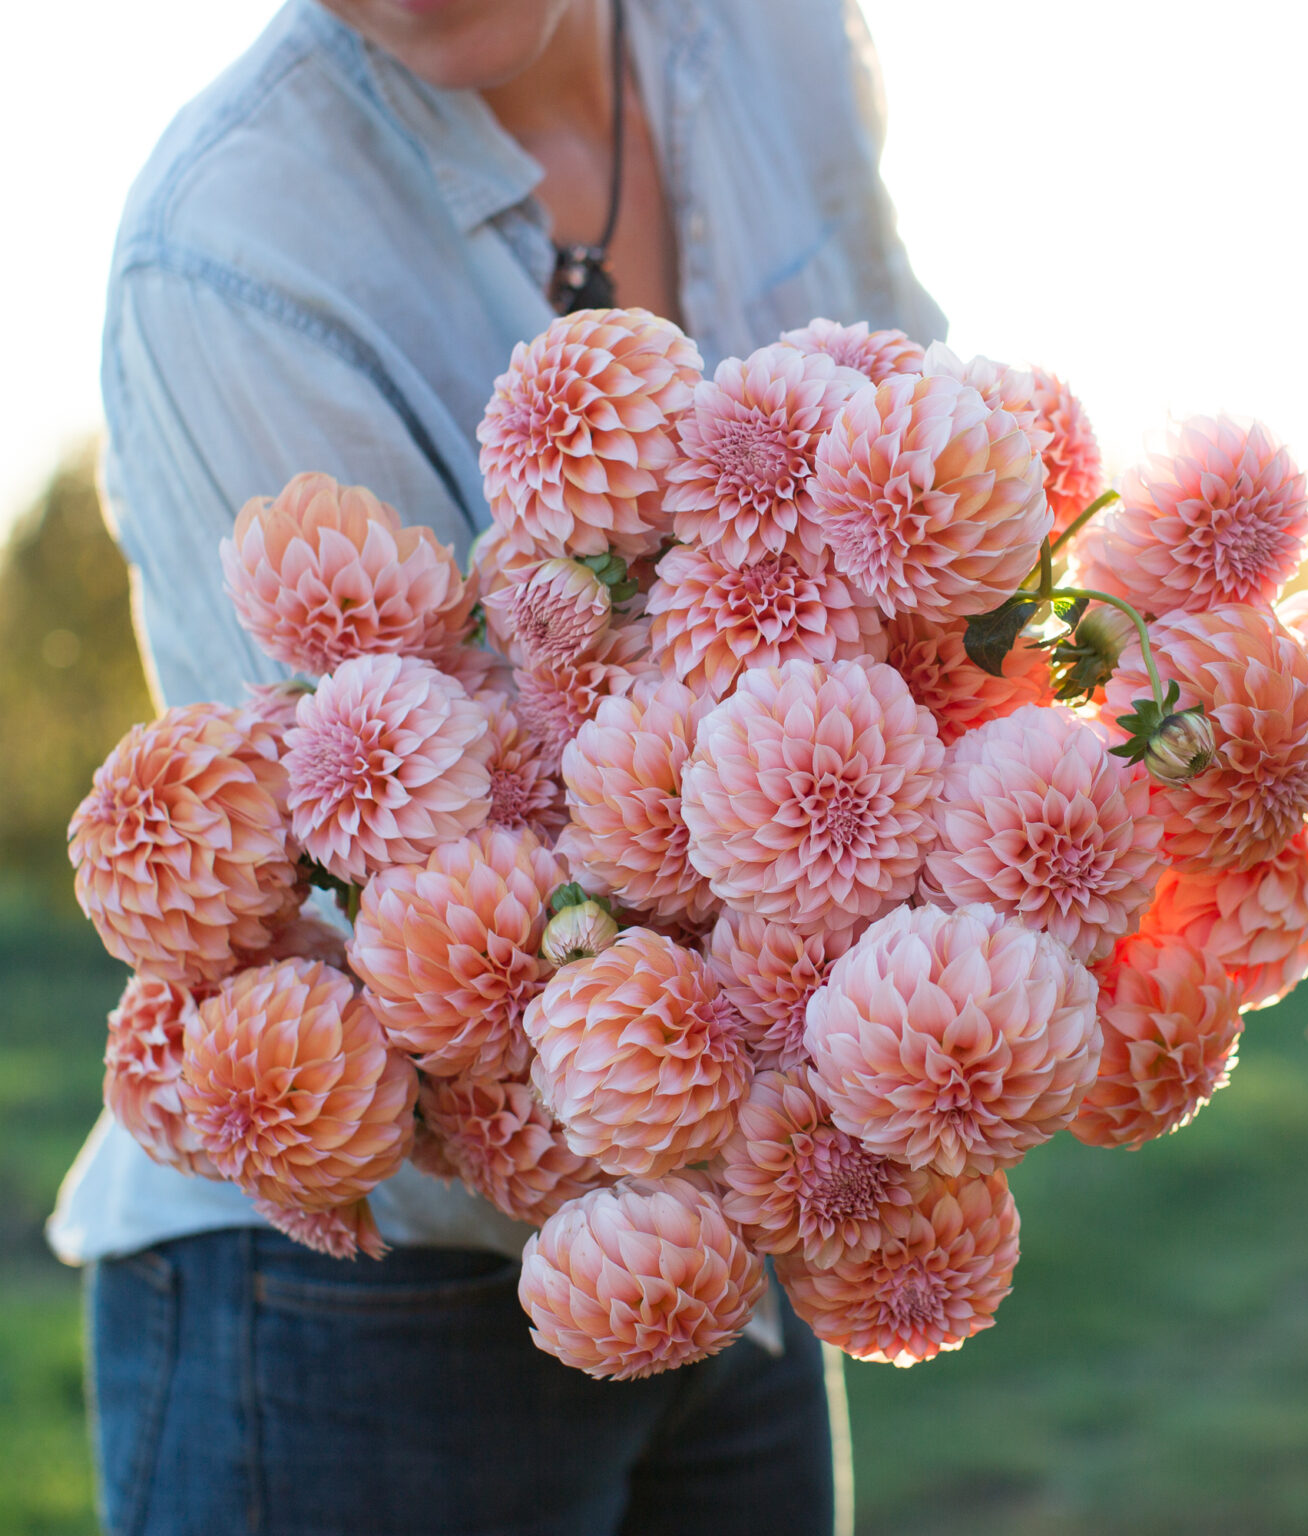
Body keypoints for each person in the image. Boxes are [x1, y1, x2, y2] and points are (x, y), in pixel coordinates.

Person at [50, 1, 943, 1531]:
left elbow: (922, 477)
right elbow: (393, 861)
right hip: (371, 1305)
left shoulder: (780, 38)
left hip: (740, 1210)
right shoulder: (232, 247)